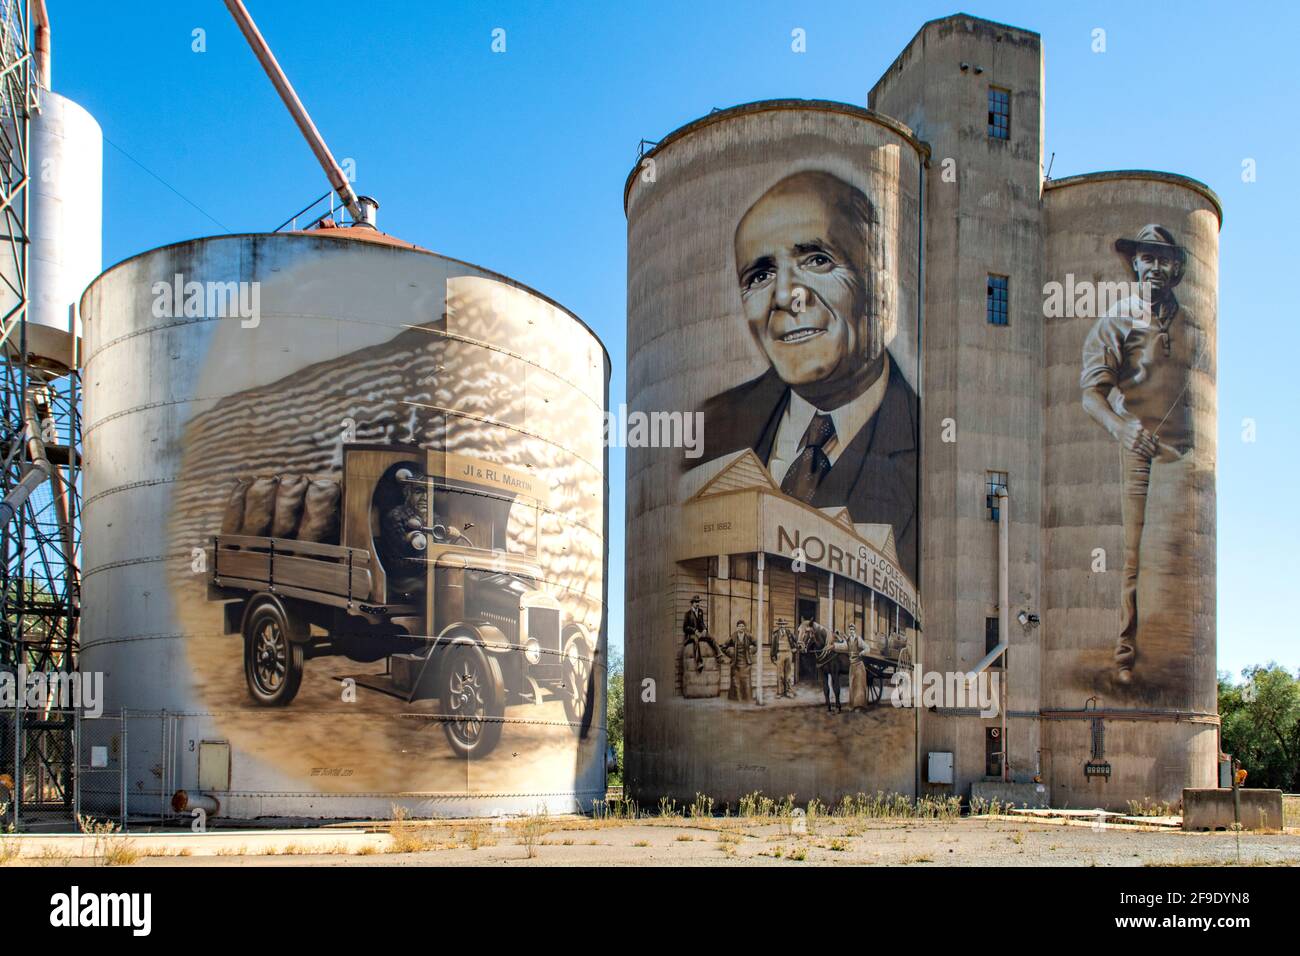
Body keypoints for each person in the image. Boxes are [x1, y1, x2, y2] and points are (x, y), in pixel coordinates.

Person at [689, 171, 919, 579]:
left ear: (879, 288)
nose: (784, 296)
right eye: (759, 275)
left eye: (817, 260)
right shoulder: (707, 431)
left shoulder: (933, 450)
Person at [1080, 224, 1197, 685]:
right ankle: (1126, 656)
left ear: (1177, 268)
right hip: (1141, 453)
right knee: (1135, 557)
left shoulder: (1194, 327)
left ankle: (1177, 662)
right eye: (1145, 258)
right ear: (1135, 264)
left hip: (1185, 455)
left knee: (1181, 556)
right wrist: (1122, 428)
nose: (1153, 266)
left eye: (1163, 258)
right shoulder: (1115, 321)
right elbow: (1091, 393)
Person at [718, 620, 757, 702]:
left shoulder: (748, 635)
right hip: (736, 663)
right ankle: (737, 699)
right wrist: (730, 654)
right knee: (736, 683)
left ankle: (747, 699)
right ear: (737, 627)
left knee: (746, 682)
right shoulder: (733, 636)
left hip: (746, 663)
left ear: (745, 627)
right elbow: (723, 647)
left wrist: (752, 651)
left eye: (743, 626)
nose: (741, 628)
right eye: (739, 626)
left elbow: (757, 644)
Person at [681, 595, 721, 673]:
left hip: (699, 633)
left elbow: (702, 623)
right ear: (692, 603)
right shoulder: (688, 614)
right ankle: (699, 662)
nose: (698, 604)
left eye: (698, 602)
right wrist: (694, 631)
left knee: (710, 637)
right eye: (696, 602)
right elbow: (685, 628)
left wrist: (704, 630)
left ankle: (719, 653)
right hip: (691, 635)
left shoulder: (700, 612)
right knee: (696, 640)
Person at [845, 624, 870, 710]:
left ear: (855, 631)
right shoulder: (848, 640)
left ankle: (859, 705)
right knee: (852, 684)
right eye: (850, 629)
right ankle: (852, 705)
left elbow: (867, 648)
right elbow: (842, 646)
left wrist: (862, 653)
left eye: (852, 629)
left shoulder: (858, 639)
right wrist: (833, 646)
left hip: (859, 665)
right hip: (852, 665)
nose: (851, 631)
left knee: (859, 685)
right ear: (848, 631)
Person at [770, 617, 797, 698]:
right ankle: (780, 692)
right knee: (780, 674)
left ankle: (788, 691)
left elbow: (796, 641)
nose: (782, 626)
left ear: (786, 625)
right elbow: (773, 647)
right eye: (781, 624)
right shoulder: (775, 634)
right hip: (779, 654)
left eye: (784, 624)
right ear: (779, 625)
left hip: (788, 653)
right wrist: (773, 656)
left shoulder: (789, 633)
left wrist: (794, 648)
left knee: (788, 674)